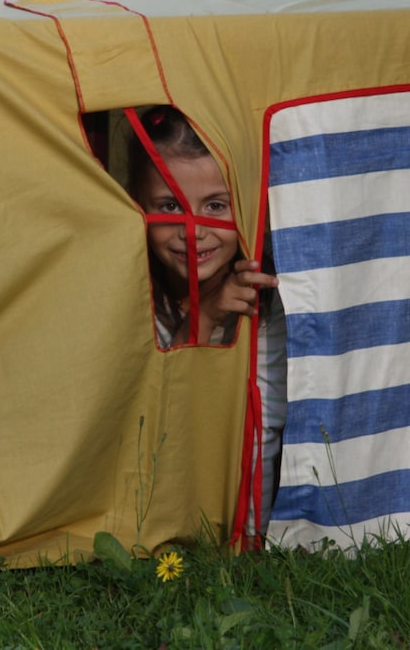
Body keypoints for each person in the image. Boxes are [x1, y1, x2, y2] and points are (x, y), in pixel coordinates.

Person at [126, 105, 287, 536]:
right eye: (168, 206)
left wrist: (250, 541)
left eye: (215, 205)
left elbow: (264, 429)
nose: (193, 231)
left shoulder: (266, 293)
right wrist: (204, 315)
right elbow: (157, 421)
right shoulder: (133, 292)